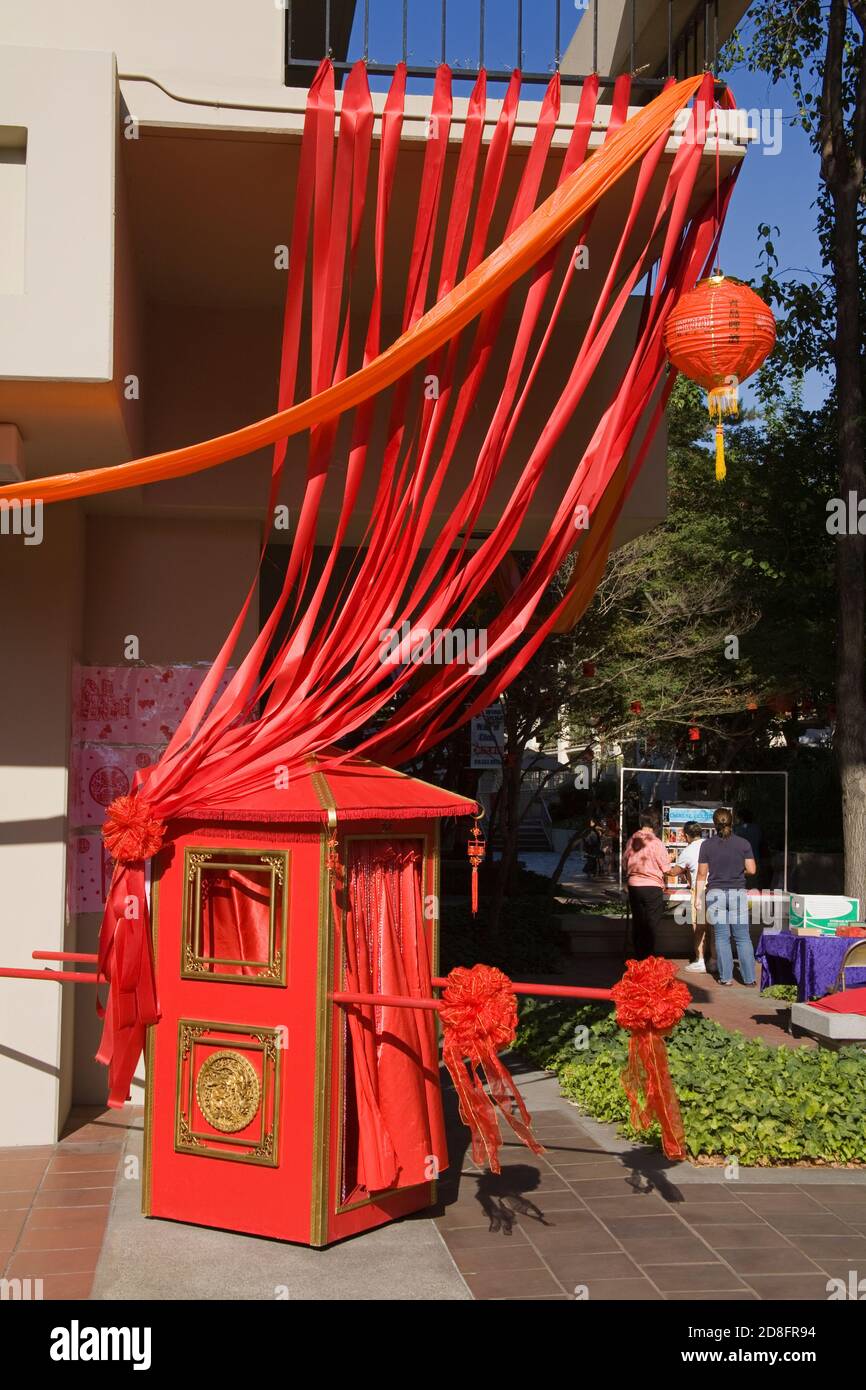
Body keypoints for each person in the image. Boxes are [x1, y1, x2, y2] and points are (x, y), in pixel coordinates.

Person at [696, 808, 758, 987]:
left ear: (714, 824)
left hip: (715, 894)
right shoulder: (743, 844)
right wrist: (739, 871)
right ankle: (749, 979)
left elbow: (701, 874)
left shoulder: (706, 845)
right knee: (743, 937)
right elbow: (752, 870)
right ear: (732, 822)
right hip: (738, 892)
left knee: (722, 937)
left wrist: (698, 898)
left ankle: (726, 978)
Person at [623, 813, 670, 959]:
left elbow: (625, 861)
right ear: (656, 823)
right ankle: (647, 959)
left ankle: (639, 957)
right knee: (651, 924)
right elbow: (666, 867)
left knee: (638, 921)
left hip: (634, 885)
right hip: (652, 886)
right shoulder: (656, 842)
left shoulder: (632, 840)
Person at [673, 822, 710, 973]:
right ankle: (713, 960)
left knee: (699, 926)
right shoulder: (710, 845)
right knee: (713, 927)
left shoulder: (688, 850)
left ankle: (700, 960)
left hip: (699, 889)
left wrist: (664, 870)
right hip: (714, 888)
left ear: (687, 835)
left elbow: (676, 871)